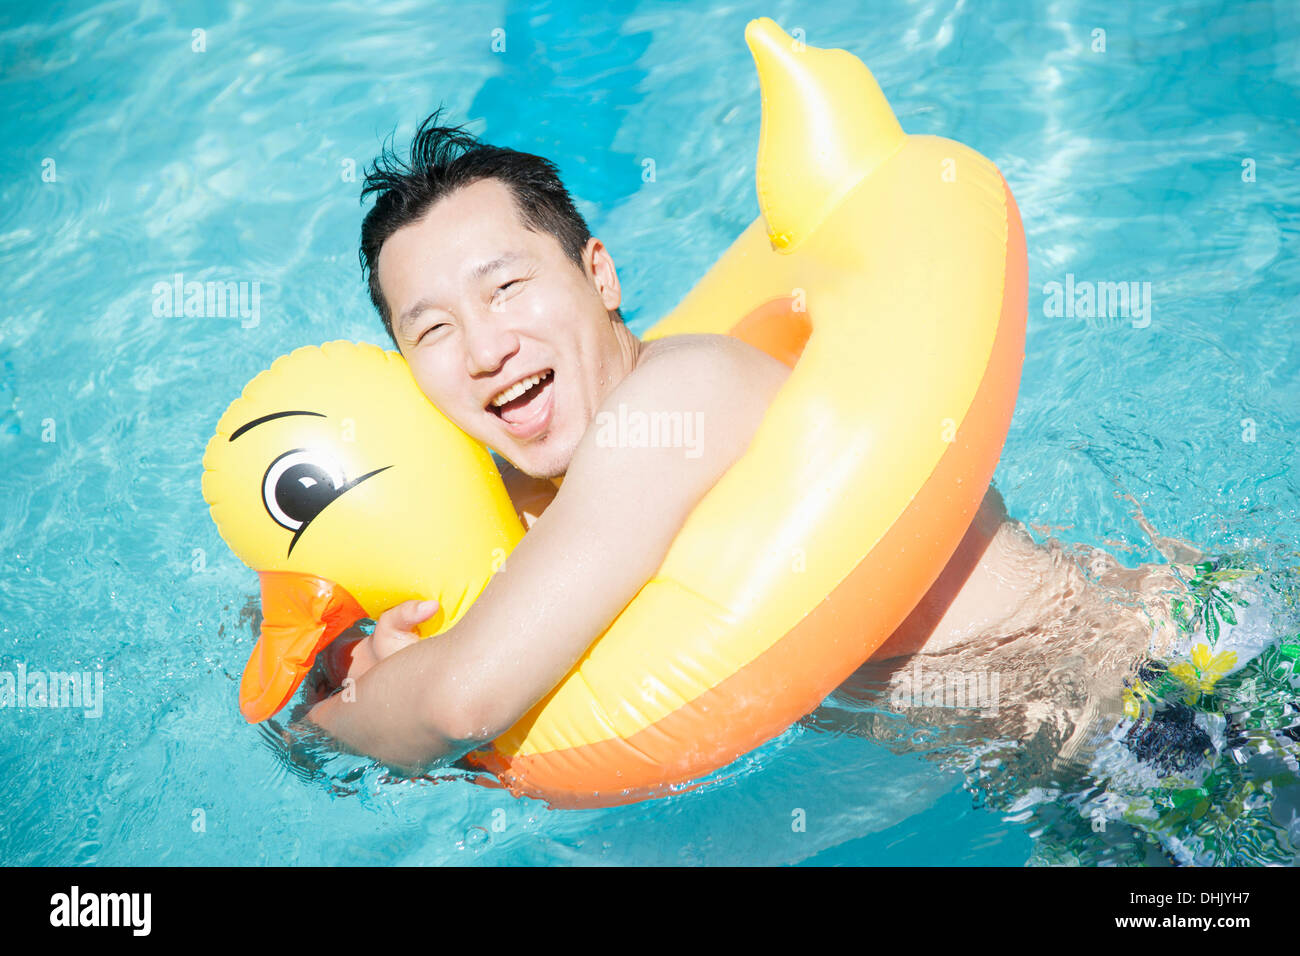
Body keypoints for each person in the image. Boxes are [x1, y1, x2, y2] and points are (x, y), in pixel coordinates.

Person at [302, 111, 1204, 775]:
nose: (487, 348)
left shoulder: (677, 401)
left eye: (505, 287)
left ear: (599, 275)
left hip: (1175, 713)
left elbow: (467, 699)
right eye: (433, 330)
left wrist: (328, 723)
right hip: (1082, 754)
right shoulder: (550, 485)